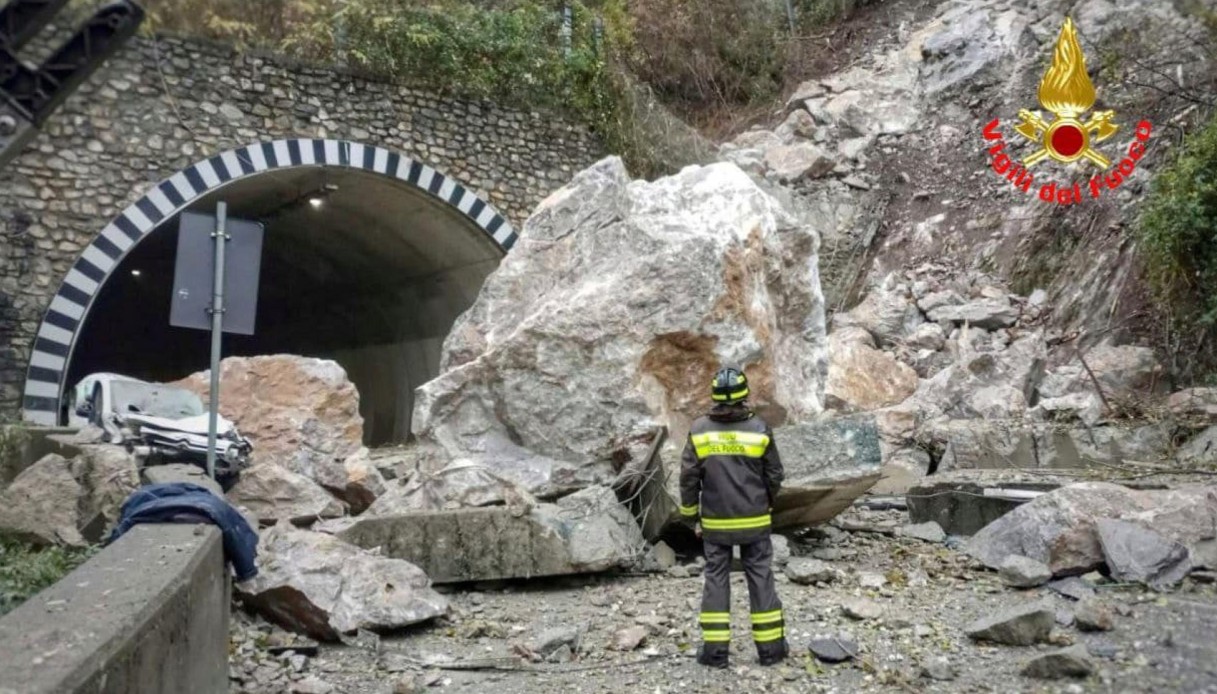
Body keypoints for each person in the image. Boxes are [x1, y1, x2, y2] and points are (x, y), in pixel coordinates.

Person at [680, 365, 788, 669]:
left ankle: (715, 653)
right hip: (754, 522)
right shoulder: (759, 428)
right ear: (744, 396)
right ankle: (771, 651)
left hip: (715, 524)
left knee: (716, 579)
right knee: (761, 578)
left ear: (714, 397)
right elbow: (775, 474)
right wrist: (766, 503)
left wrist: (691, 518)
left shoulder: (700, 430)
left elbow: (688, 479)